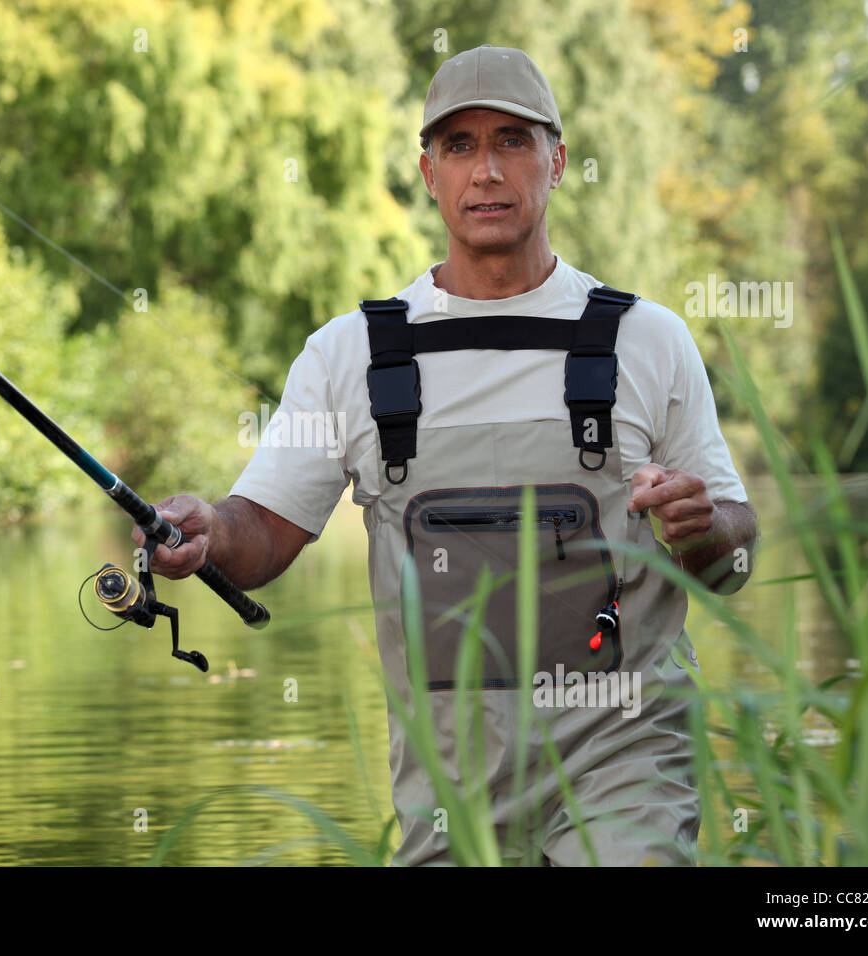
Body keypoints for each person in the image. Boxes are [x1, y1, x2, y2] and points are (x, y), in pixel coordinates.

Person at [133, 44, 758, 866]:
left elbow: (733, 562)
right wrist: (208, 526)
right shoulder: (348, 353)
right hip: (447, 786)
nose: (486, 171)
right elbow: (261, 539)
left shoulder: (649, 339)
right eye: (459, 147)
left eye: (512, 141)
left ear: (558, 161)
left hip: (624, 759)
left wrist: (702, 526)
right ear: (429, 173)